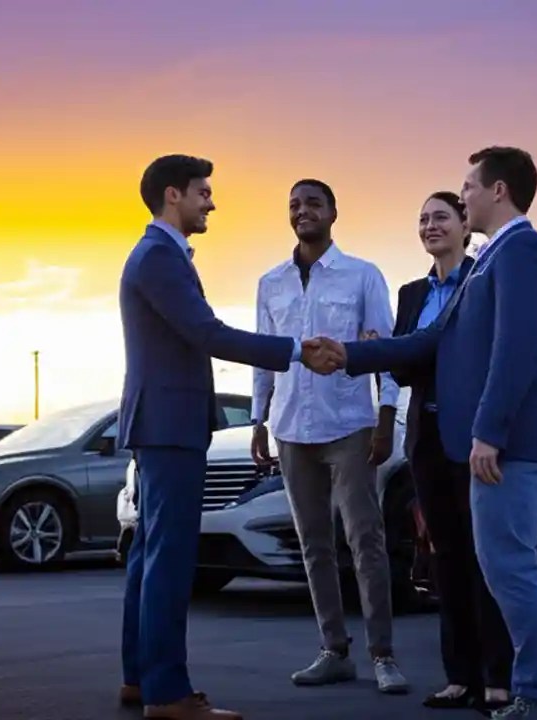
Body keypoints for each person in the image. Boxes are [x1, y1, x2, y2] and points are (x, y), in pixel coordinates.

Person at [303, 146, 537, 720]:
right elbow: (431, 342)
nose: (464, 197)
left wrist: (490, 432)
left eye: (470, 187)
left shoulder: (523, 251)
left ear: (499, 191)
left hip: (516, 445)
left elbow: (518, 349)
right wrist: (351, 354)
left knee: (513, 569)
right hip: (521, 442)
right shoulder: (488, 260)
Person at [117, 154, 317, 720]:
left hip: (163, 424)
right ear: (172, 195)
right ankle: (168, 693)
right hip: (169, 426)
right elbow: (207, 333)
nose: (211, 201)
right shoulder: (159, 257)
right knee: (169, 559)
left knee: (151, 556)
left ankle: (140, 678)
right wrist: (297, 350)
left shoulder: (161, 255)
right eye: (203, 192)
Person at [250, 179, 407, 694]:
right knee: (313, 544)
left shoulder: (362, 276)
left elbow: (383, 351)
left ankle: (383, 654)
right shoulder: (270, 283)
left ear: (333, 212)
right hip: (292, 428)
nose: (302, 211)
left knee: (366, 540)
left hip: (349, 426)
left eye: (313, 203)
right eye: (293, 204)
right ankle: (334, 650)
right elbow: (265, 358)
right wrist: (258, 420)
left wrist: (385, 419)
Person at [392, 191, 513, 712]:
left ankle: (498, 678)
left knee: (483, 558)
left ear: (466, 225)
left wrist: (423, 352)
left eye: (440, 216)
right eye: (422, 219)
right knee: (444, 556)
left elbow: (473, 356)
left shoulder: (480, 280)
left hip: (473, 438)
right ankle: (458, 676)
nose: (429, 226)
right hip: (425, 436)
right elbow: (401, 366)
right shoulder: (412, 293)